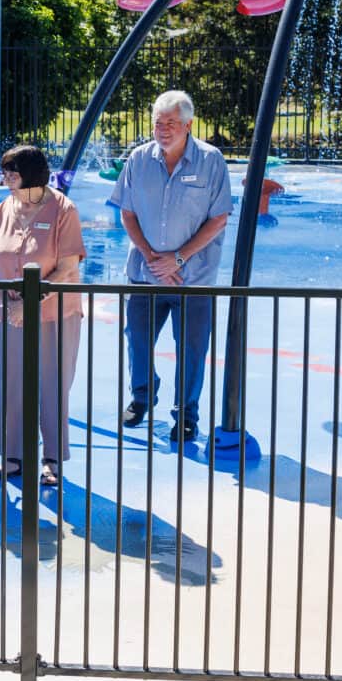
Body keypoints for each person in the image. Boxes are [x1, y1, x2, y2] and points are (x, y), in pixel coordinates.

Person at [109, 89, 233, 441]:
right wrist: (151, 257)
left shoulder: (211, 160)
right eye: (158, 123)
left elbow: (219, 218)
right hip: (145, 274)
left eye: (171, 123)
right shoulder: (138, 159)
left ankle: (186, 414)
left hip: (193, 278)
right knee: (137, 340)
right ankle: (142, 396)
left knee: (192, 349)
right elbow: (127, 213)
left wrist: (178, 258)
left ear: (188, 125)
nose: (163, 129)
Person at [0, 144, 85, 488]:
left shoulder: (63, 209)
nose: (6, 177)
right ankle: (11, 456)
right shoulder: (0, 210)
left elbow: (67, 268)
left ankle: (52, 459)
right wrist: (5, 301)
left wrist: (29, 303)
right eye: (5, 171)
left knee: (53, 385)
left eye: (12, 171)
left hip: (55, 314)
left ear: (32, 174)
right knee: (9, 384)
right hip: (7, 314)